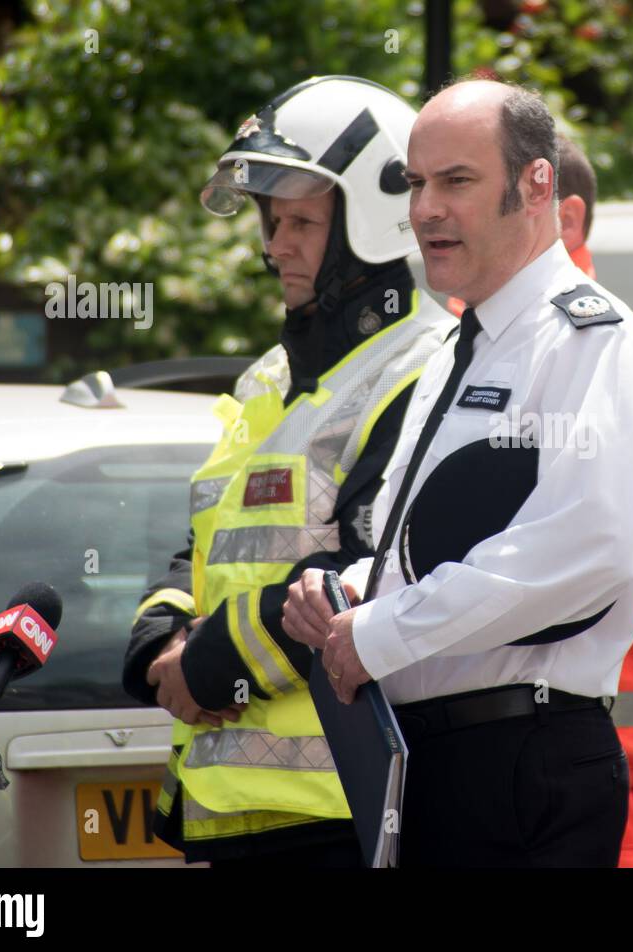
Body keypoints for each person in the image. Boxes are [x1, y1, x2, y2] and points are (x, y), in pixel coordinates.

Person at [281, 79, 633, 867]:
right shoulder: (461, 347)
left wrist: (383, 631)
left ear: (535, 185)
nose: (424, 208)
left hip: (524, 761)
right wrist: (350, 592)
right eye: (414, 184)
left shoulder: (593, 338)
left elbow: (592, 543)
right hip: (433, 763)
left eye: (456, 181)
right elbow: (428, 547)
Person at [121, 76, 455, 866]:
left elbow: (367, 570)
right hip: (231, 809)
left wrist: (203, 663)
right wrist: (159, 637)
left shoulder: (422, 366)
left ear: (371, 227)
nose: (276, 245)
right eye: (273, 221)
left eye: (303, 221)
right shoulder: (269, 377)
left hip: (344, 812)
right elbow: (213, 541)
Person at [449, 136, 633, 867]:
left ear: (565, 214)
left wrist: (550, 585)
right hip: (496, 754)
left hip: (594, 749)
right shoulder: (482, 337)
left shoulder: (611, 342)